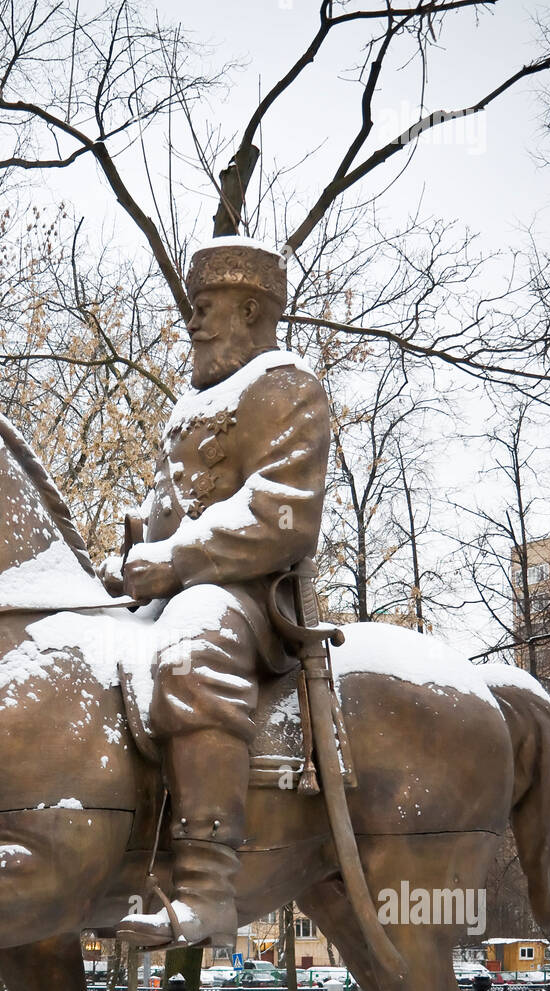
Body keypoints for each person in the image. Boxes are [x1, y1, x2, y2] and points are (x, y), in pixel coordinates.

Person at [107, 237, 331, 948]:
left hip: (251, 601)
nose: (193, 325)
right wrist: (128, 561)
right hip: (174, 589)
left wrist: (175, 562)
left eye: (204, 311)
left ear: (252, 309)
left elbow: (282, 514)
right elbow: (165, 512)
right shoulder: (188, 408)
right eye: (192, 312)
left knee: (190, 649)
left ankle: (205, 889)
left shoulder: (286, 386)